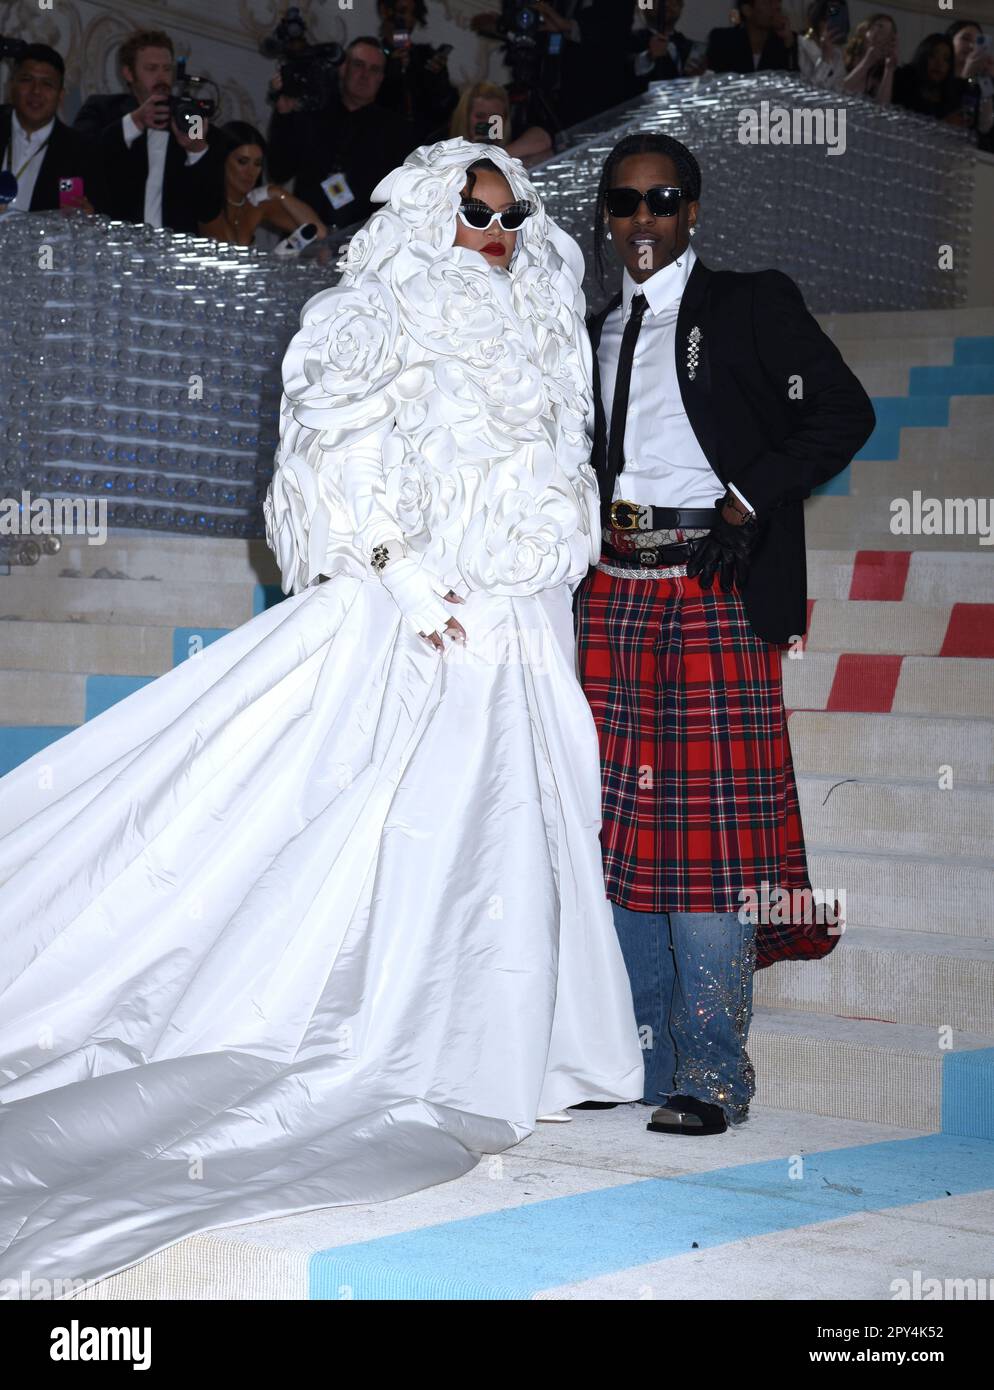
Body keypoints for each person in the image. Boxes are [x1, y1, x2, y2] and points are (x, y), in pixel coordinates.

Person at [0, 137, 644, 1295]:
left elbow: (551, 473)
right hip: (427, 616)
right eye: (470, 216)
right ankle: (410, 1036)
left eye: (507, 220)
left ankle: (526, 1039)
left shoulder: (548, 331)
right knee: (415, 833)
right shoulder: (370, 319)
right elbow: (330, 459)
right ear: (426, 219)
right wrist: (398, 573)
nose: (491, 240)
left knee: (530, 823)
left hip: (524, 618)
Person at [574, 132, 875, 1137]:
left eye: (662, 200)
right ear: (607, 218)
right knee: (614, 836)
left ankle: (711, 1075)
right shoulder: (593, 330)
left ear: (692, 211)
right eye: (625, 203)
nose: (643, 219)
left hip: (709, 589)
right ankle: (635, 1058)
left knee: (703, 849)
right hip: (609, 594)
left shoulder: (748, 302)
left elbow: (841, 413)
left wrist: (744, 502)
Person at [73, 29, 222, 234]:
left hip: (175, 256)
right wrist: (135, 121)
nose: (161, 77)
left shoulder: (189, 119)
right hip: (114, 249)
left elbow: (210, 208)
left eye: (167, 69)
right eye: (151, 69)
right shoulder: (102, 110)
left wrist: (197, 149)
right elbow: (80, 158)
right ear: (128, 73)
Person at [267, 35, 413, 230]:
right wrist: (284, 115)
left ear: (381, 78)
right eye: (358, 65)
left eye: (374, 69)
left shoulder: (396, 132)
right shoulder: (312, 113)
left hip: (360, 244)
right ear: (343, 68)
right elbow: (278, 171)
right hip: (304, 234)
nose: (365, 75)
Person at [196, 120, 327, 246]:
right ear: (222, 160)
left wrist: (279, 193)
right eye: (242, 161)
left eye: (257, 164)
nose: (250, 172)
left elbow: (318, 232)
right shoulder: (208, 202)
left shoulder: (256, 204)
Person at [0, 43, 92, 214]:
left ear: (61, 95)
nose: (36, 91)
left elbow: (99, 214)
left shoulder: (81, 151)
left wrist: (89, 217)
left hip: (44, 242)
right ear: (11, 86)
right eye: (27, 80)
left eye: (47, 84)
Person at [377, 0, 458, 142]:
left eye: (413, 14)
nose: (408, 20)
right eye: (402, 11)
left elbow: (443, 111)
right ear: (385, 11)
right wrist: (392, 68)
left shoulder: (423, 57)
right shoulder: (372, 56)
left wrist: (439, 79)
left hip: (418, 144)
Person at [448, 81, 552, 166]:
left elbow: (543, 137)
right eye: (480, 116)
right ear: (465, 117)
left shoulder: (512, 136)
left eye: (495, 118)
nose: (488, 123)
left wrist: (494, 156)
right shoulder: (446, 148)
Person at [706, 0, 800, 74]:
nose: (776, 7)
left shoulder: (787, 39)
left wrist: (789, 42)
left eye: (778, 1)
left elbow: (796, 79)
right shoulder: (723, 40)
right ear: (747, 10)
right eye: (767, 2)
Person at [893, 33, 968, 124]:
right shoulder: (902, 82)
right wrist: (943, 124)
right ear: (923, 56)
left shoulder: (952, 94)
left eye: (946, 59)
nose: (939, 63)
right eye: (933, 56)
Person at [627, 0, 700, 93]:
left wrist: (698, 76)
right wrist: (649, 56)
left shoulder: (688, 45)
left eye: (675, 1)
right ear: (644, 6)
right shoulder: (629, 40)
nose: (668, 4)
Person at [842, 13, 897, 103]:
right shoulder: (842, 58)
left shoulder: (878, 73)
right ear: (864, 30)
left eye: (889, 33)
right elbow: (837, 91)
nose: (883, 35)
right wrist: (867, 62)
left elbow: (882, 109)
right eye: (880, 26)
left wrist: (889, 69)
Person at [796, 0, 849, 90]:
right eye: (828, 18)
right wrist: (825, 59)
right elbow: (808, 91)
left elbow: (839, 90)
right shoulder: (801, 44)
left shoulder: (837, 52)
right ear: (819, 20)